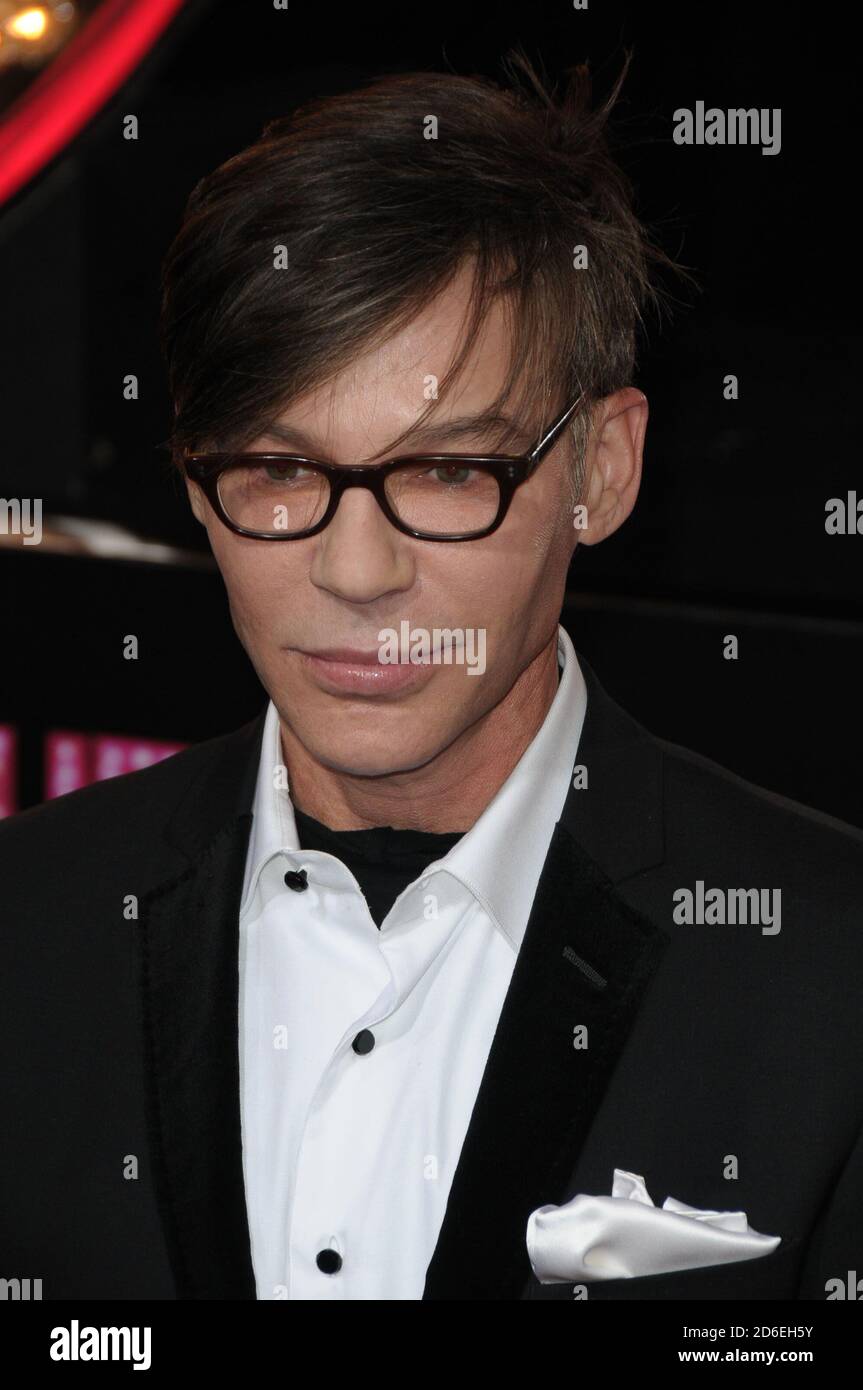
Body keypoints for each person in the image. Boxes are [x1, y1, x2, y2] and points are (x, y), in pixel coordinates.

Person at [1, 51, 861, 1303]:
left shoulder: (828, 976)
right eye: (280, 470)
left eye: (449, 472)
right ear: (196, 487)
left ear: (600, 472)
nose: (356, 569)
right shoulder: (25, 927)